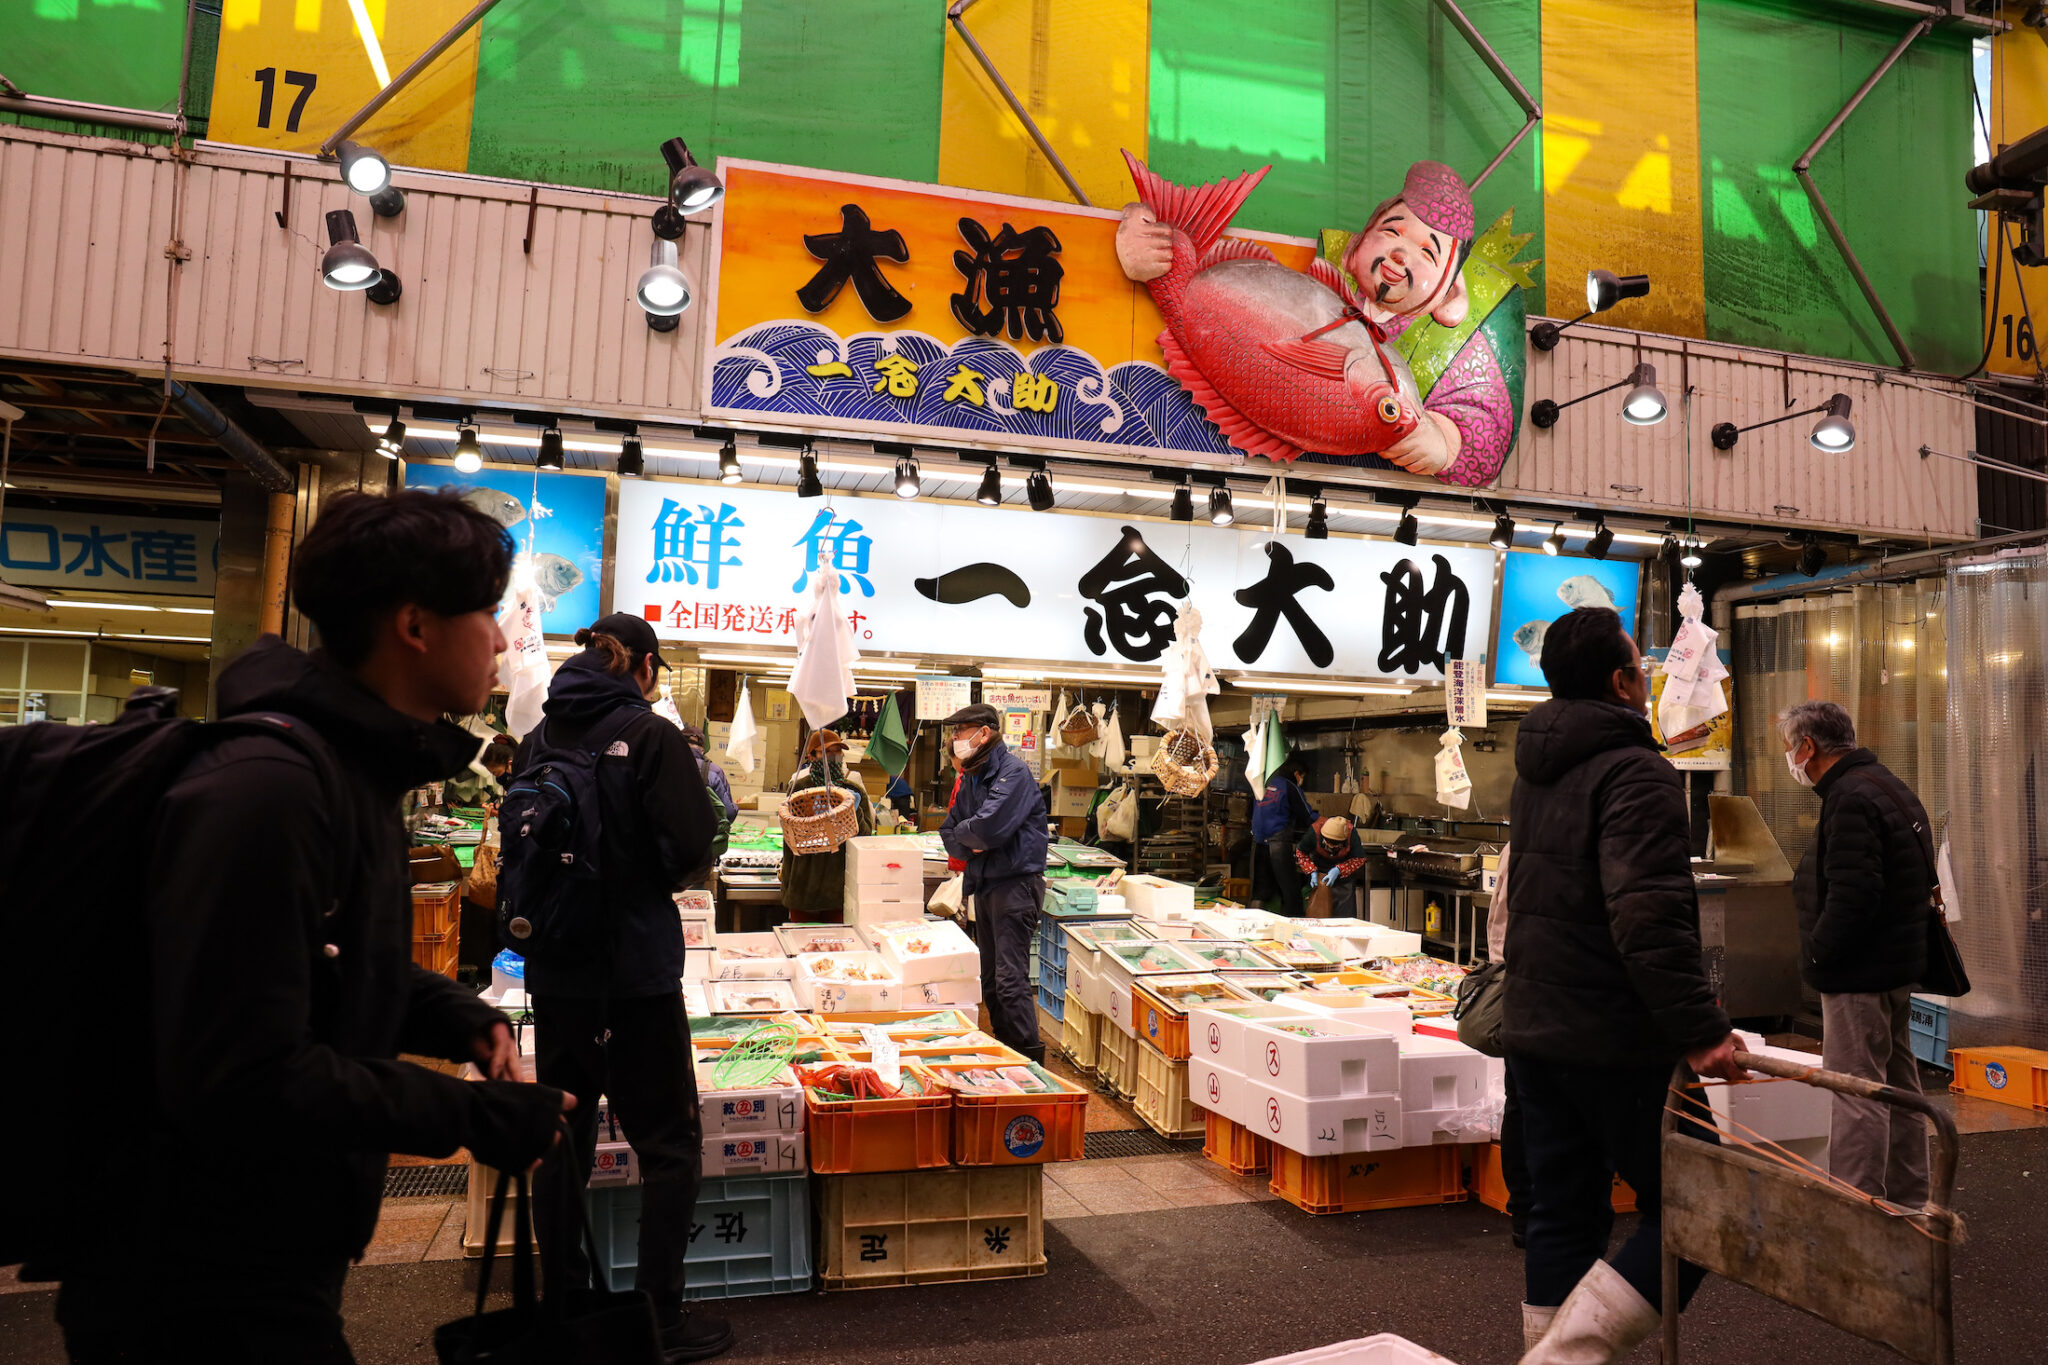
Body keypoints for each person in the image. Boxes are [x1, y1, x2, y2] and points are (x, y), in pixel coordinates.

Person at [51, 490, 570, 1363]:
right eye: (485, 611)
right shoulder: (271, 787)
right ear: (415, 625)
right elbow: (242, 1070)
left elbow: (313, 967)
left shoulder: (352, 768)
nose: (500, 637)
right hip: (192, 1272)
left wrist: (454, 1015)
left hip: (273, 1245)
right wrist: (470, 1114)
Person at [1504, 606, 1743, 1364]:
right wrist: (1702, 1030)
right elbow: (1648, 916)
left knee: (1564, 1211)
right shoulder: (1635, 768)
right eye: (1641, 666)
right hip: (1614, 1038)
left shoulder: (1537, 767)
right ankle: (1561, 1360)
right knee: (1703, 1204)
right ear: (1621, 680)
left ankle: (1550, 1350)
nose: (1649, 678)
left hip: (1537, 1028)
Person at [509, 613, 730, 1363]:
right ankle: (657, 1318)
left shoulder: (541, 735)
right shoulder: (650, 732)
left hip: (557, 970)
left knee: (563, 1137)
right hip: (633, 972)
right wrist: (645, 886)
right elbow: (695, 842)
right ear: (638, 664)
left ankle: (565, 1303)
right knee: (668, 1147)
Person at [1780, 699, 1932, 1208]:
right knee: (1898, 1089)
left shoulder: (1848, 795)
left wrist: (1819, 958)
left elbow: (1854, 894)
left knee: (1855, 1091)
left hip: (1860, 971)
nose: (1790, 758)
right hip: (1897, 964)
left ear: (1808, 746)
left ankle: (1855, 1209)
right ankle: (1910, 1202)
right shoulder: (1885, 782)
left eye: (1790, 747)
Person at [940, 702, 1050, 1062]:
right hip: (985, 884)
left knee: (1010, 981)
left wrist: (973, 838)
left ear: (984, 733)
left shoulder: (1014, 773)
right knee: (989, 981)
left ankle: (1030, 1061)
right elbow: (950, 831)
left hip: (1015, 887)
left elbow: (987, 828)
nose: (955, 739)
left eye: (960, 731)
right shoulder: (972, 776)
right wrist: (974, 840)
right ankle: (1007, 1055)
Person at [779, 729, 875, 924]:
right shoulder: (799, 788)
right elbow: (792, 837)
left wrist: (854, 810)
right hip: (803, 888)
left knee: (837, 948)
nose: (834, 757)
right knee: (802, 946)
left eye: (838, 752)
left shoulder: (853, 790)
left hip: (838, 891)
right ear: (811, 756)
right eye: (827, 752)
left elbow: (865, 837)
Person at [1252, 755, 1316, 916]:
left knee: (1260, 890)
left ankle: (1250, 925)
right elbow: (1307, 815)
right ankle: (1293, 930)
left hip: (1258, 843)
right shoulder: (1290, 786)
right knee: (1290, 891)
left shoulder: (1263, 784)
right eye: (1302, 777)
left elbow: (1250, 813)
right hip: (1278, 845)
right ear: (1296, 774)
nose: (1302, 780)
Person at [1294, 815, 1369, 917]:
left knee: (1343, 919)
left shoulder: (1351, 834)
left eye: (1336, 845)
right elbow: (1301, 852)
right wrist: (1311, 871)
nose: (1331, 848)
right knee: (1318, 917)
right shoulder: (1314, 832)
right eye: (1328, 844)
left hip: (1344, 881)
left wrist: (1339, 869)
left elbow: (1360, 859)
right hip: (1319, 876)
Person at [680, 723, 739, 825]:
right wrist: (736, 807)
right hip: (703, 836)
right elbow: (728, 813)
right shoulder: (713, 771)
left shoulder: (664, 765)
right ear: (702, 750)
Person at [446, 738, 515, 810]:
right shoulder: (512, 783)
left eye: (496, 773)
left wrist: (502, 810)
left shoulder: (521, 783)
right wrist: (498, 807)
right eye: (492, 773)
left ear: (510, 764)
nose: (496, 777)